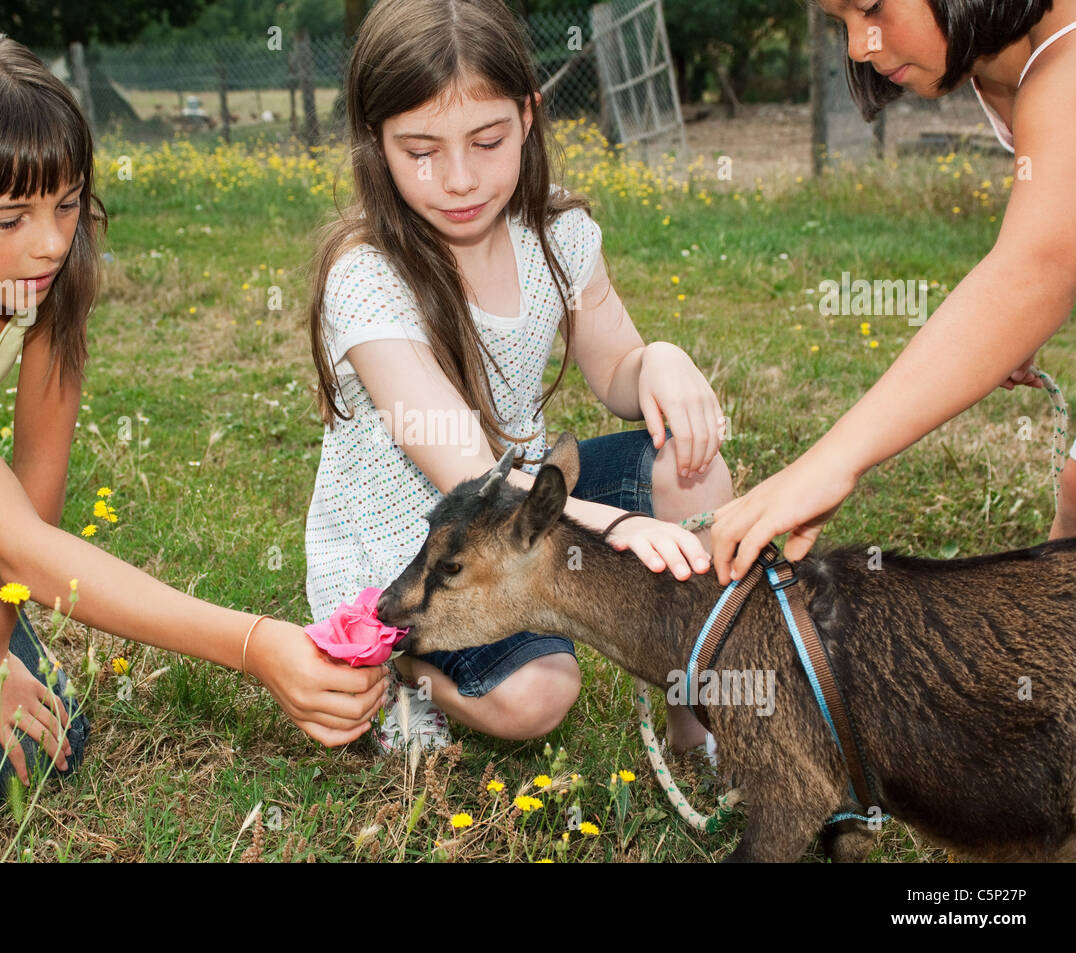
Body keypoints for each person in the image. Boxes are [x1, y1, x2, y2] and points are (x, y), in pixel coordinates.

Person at [0, 29, 384, 815]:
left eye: (65, 203)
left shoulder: (54, 273)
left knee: (30, 757)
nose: (51, 243)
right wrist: (253, 644)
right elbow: (20, 543)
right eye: (7, 219)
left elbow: (34, 492)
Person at [304, 0, 731, 756]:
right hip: (419, 552)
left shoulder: (559, 235)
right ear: (376, 142)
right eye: (421, 150)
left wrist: (659, 359)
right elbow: (470, 475)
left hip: (530, 508)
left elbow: (619, 370)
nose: (461, 178)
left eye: (488, 139)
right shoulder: (366, 276)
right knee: (540, 693)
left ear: (528, 118)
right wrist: (622, 527)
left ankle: (695, 724)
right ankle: (390, 663)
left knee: (689, 464)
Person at [712, 0, 1076, 585]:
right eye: (843, 24)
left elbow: (1034, 271)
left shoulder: (1066, 64)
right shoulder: (1005, 64)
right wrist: (1020, 325)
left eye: (871, 8)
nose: (858, 46)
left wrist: (833, 461)